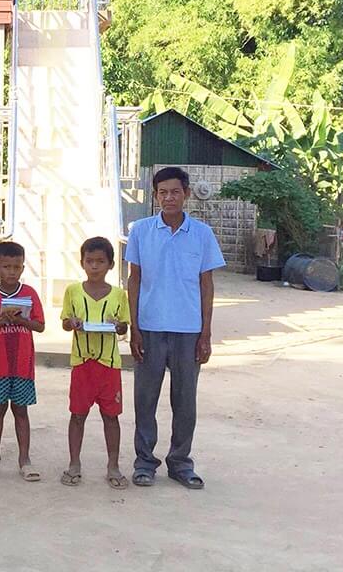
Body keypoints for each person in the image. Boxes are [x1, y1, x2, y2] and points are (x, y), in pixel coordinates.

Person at [126, 166, 225, 490]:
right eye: (163, 192)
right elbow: (134, 280)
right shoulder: (141, 231)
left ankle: (180, 463)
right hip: (150, 328)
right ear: (155, 196)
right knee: (145, 400)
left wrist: (205, 333)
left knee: (185, 402)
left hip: (188, 331)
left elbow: (206, 284)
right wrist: (135, 328)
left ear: (187, 194)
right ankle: (144, 463)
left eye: (175, 192)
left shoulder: (202, 234)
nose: (169, 198)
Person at [60, 237, 129, 489]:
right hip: (82, 363)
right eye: (90, 261)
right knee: (77, 415)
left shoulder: (119, 295)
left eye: (100, 261)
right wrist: (72, 323)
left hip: (109, 365)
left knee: (111, 417)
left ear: (111, 264)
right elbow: (65, 321)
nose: (95, 266)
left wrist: (118, 326)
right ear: (82, 263)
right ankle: (74, 464)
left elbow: (124, 326)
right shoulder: (73, 291)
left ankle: (113, 466)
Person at [0, 241, 45, 482]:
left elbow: (40, 325)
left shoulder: (30, 294)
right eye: (6, 267)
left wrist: (22, 320)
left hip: (23, 365)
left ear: (23, 268)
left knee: (21, 411)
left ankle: (24, 459)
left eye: (17, 267)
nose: (12, 272)